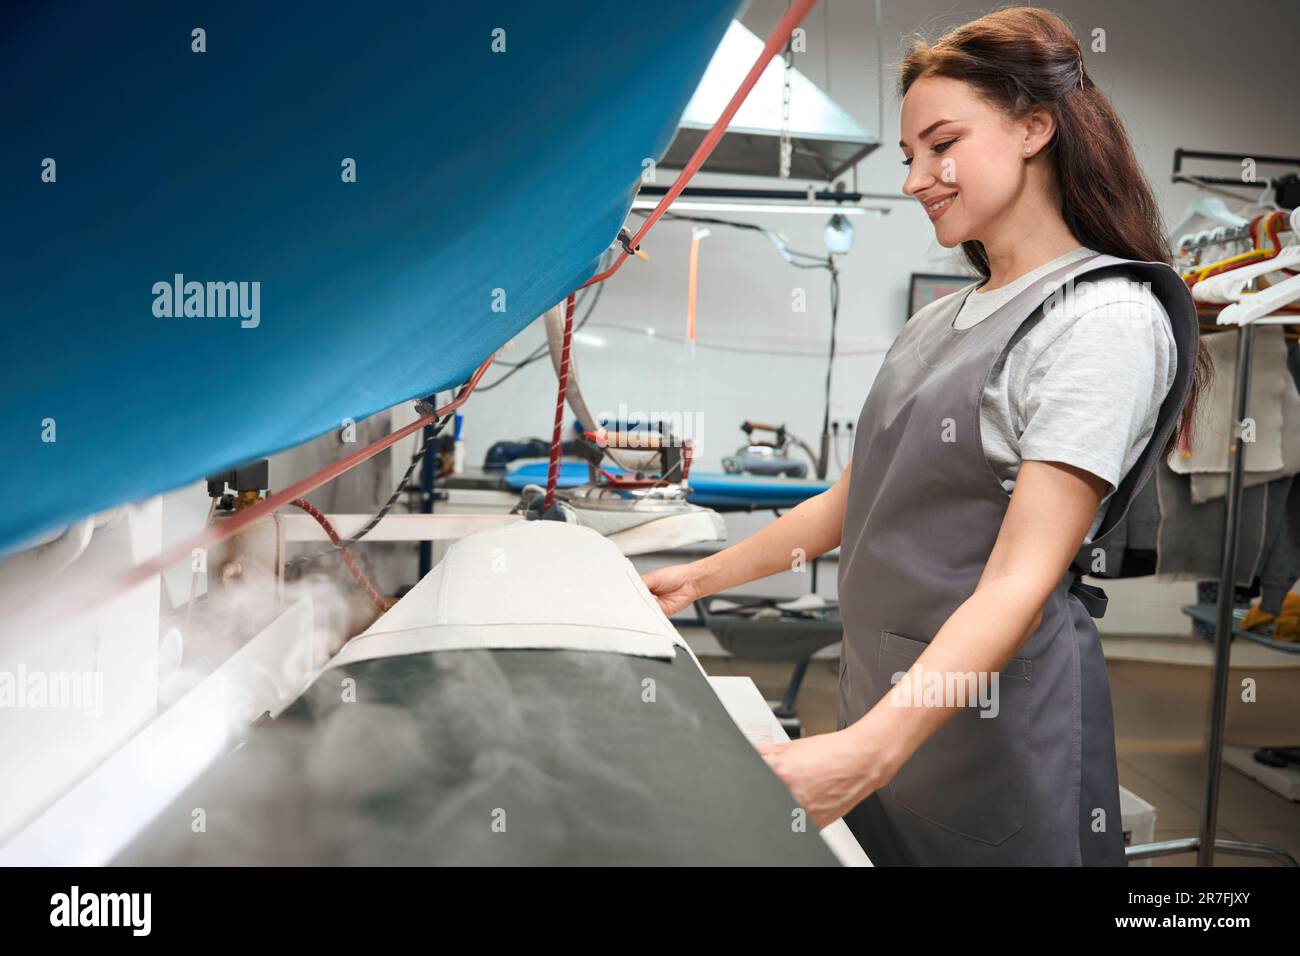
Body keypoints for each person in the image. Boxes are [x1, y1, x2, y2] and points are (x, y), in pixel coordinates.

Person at [642, 6, 1206, 865]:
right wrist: (693, 580)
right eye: (909, 156)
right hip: (886, 703)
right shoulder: (942, 317)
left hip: (990, 724)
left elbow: (1023, 577)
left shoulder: (1103, 320)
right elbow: (854, 497)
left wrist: (871, 749)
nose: (915, 180)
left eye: (942, 143)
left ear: (1034, 127)